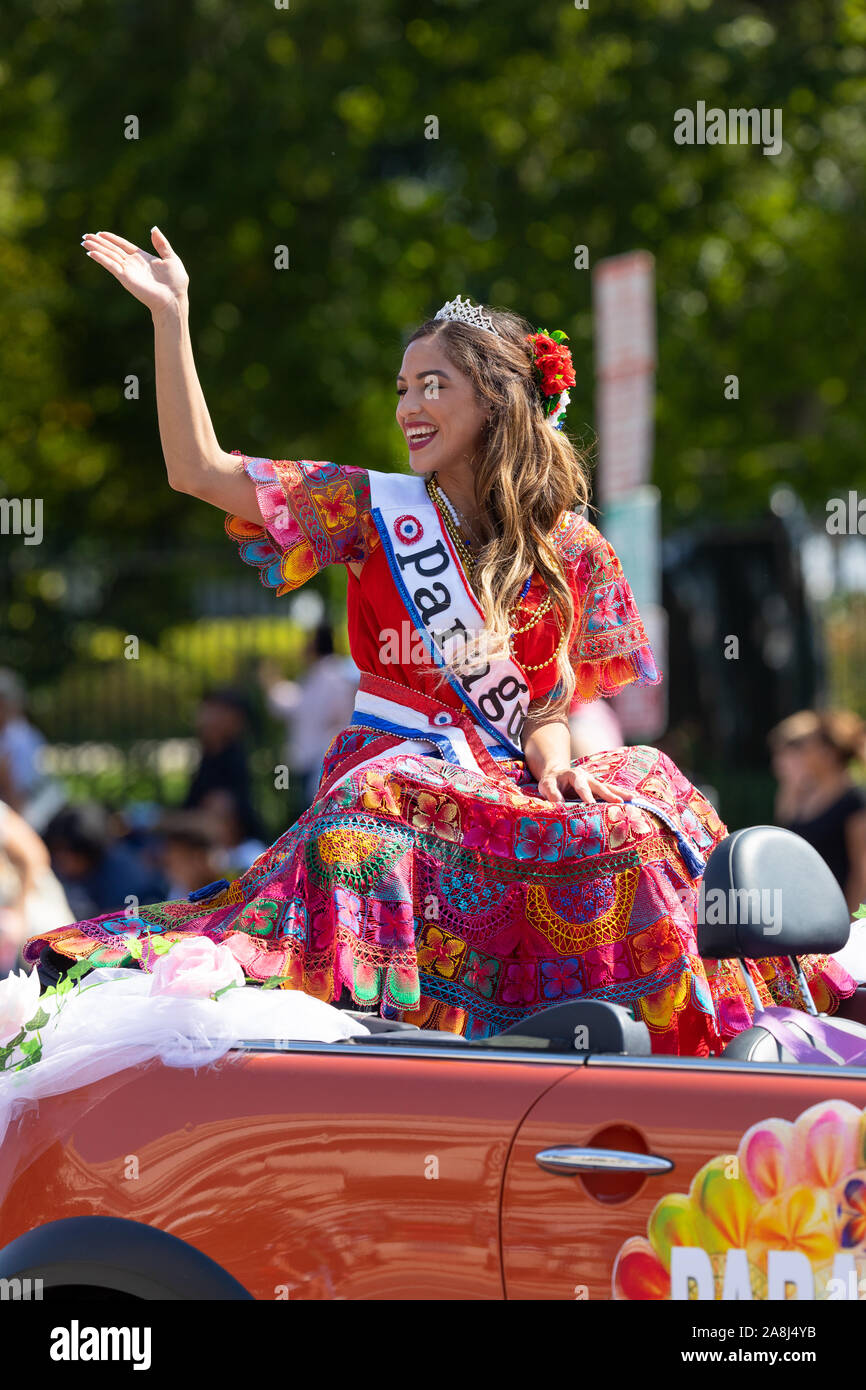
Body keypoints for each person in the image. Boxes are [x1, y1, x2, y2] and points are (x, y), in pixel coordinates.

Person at [23, 230, 856, 1055]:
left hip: (493, 772)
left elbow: (542, 708)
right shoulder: (369, 508)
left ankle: (704, 1041)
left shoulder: (568, 548)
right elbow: (197, 469)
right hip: (393, 767)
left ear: (494, 399)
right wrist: (173, 319)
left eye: (433, 385)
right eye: (402, 388)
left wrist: (557, 762)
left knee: (644, 791)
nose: (408, 408)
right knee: (377, 818)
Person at [770, 708, 866, 916]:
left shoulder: (854, 800)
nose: (803, 756)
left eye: (808, 749)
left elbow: (861, 871)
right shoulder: (801, 795)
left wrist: (853, 921)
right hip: (804, 914)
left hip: (840, 918)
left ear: (829, 754)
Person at [263, 622, 361, 805]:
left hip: (320, 760)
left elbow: (301, 708)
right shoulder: (336, 672)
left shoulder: (325, 676)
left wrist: (273, 684)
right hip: (330, 757)